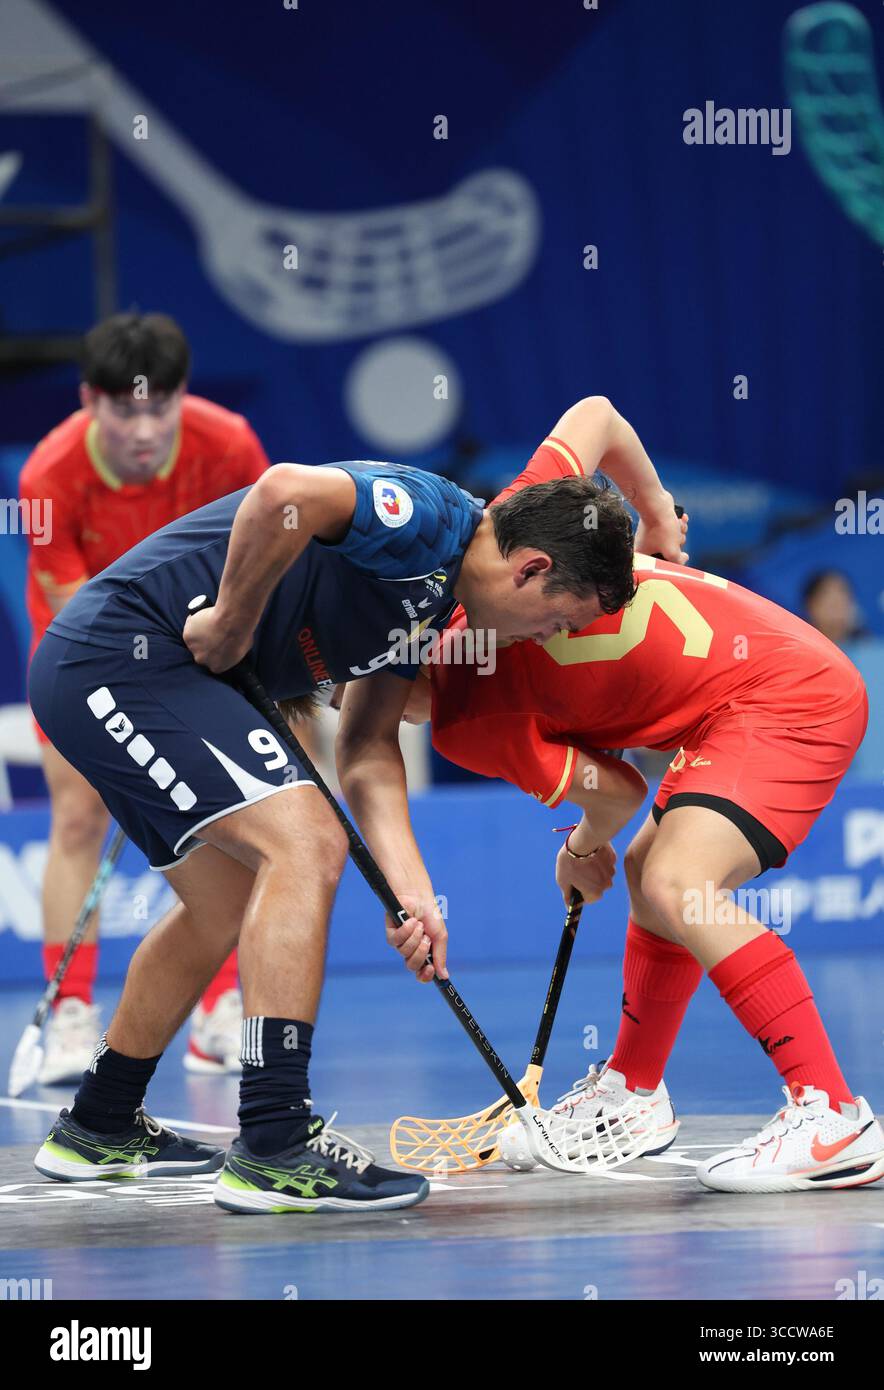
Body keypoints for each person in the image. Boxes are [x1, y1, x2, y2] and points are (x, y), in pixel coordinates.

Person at [28, 404, 658, 1212]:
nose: (543, 640)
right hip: (125, 657)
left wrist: (412, 892)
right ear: (532, 568)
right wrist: (232, 619)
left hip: (144, 676)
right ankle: (275, 1140)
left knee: (222, 902)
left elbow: (365, 750)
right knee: (306, 846)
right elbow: (284, 491)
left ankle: (100, 1122)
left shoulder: (436, 601)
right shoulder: (426, 519)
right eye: (558, 621)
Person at [411, 398, 884, 1194]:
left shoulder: (466, 722)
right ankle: (633, 1096)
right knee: (648, 872)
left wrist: (578, 849)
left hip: (787, 696)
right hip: (745, 694)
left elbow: (617, 790)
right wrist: (656, 512)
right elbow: (595, 413)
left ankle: (832, 1113)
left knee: (677, 882)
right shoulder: (508, 527)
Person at [19, 313, 269, 1083]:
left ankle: (220, 1011)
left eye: (159, 407)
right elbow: (78, 614)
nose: (144, 427)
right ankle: (69, 1013)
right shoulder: (48, 477)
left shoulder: (229, 444)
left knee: (235, 824)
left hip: (205, 645)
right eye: (125, 410)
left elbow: (263, 558)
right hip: (79, 653)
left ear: (181, 396)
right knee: (78, 816)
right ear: (91, 401)